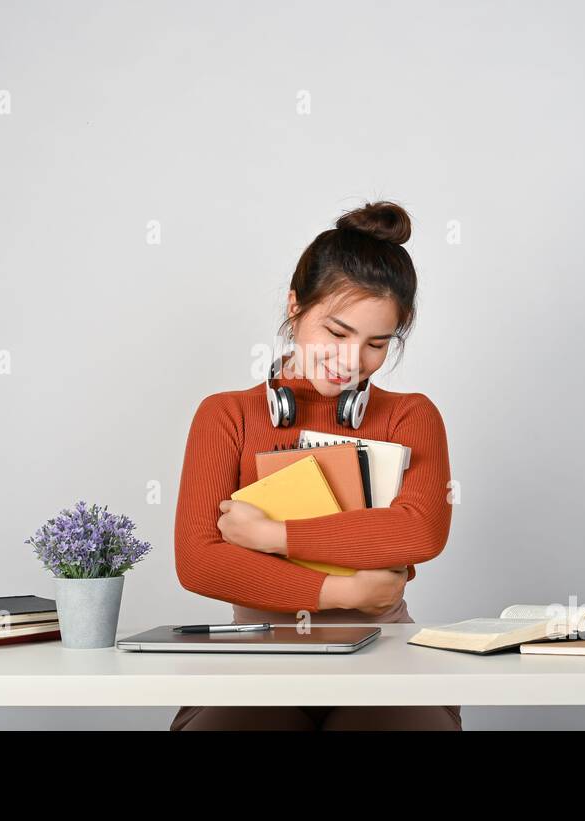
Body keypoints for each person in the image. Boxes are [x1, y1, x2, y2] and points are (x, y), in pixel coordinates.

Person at [170, 200, 460, 731]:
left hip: (385, 658)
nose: (351, 361)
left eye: (376, 344)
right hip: (257, 660)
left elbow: (419, 531)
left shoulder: (411, 416)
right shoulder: (225, 416)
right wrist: (348, 592)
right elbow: (199, 562)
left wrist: (271, 535)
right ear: (295, 306)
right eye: (337, 332)